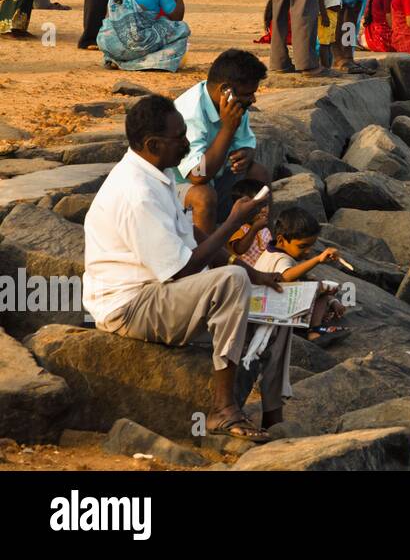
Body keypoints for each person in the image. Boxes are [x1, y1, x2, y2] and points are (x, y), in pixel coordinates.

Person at [82, 94, 283, 441]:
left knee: (274, 307)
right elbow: (181, 271)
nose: (188, 143)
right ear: (152, 144)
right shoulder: (137, 192)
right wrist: (234, 222)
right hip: (130, 306)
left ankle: (274, 417)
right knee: (232, 282)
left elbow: (188, 232)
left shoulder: (152, 173)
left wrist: (258, 275)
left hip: (157, 291)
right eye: (180, 137)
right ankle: (223, 409)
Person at [173, 48, 273, 239]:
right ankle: (208, 259)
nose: (253, 99)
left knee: (258, 174)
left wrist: (246, 155)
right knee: (204, 195)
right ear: (225, 90)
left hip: (216, 179)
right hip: (177, 189)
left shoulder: (232, 104)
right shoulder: (189, 114)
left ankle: (265, 242)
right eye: (248, 94)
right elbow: (197, 175)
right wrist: (227, 129)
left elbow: (246, 144)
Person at [255, 207, 348, 343]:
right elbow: (285, 277)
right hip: (270, 310)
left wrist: (333, 301)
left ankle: (323, 312)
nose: (308, 251)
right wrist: (317, 260)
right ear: (281, 240)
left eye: (311, 246)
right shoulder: (281, 258)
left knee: (315, 284)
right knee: (320, 288)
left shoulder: (273, 251)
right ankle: (314, 331)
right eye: (302, 246)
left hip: (266, 304)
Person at [97, 0, 189, 70]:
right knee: (182, 28)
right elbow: (177, 17)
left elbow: (108, 16)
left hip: (107, 43)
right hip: (134, 45)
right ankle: (146, 63)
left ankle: (113, 59)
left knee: (155, 24)